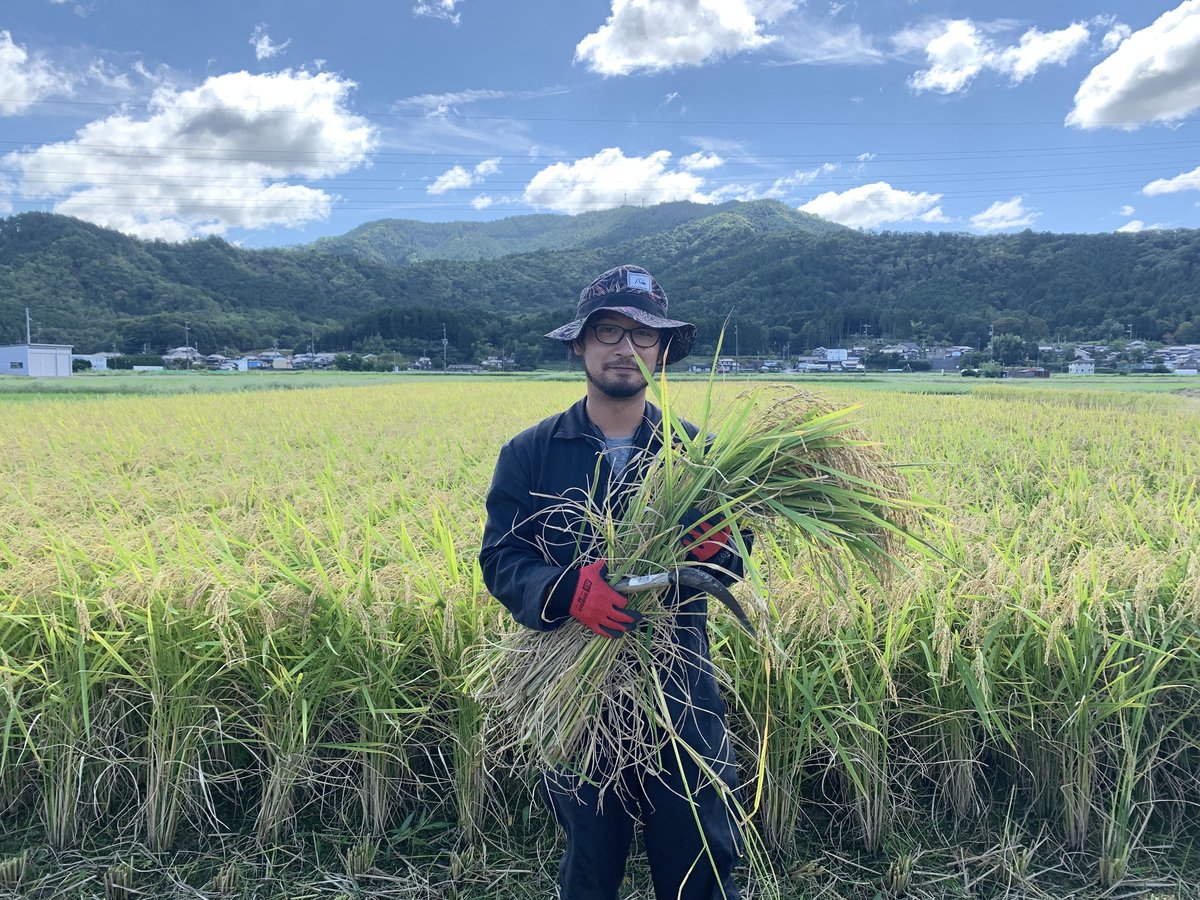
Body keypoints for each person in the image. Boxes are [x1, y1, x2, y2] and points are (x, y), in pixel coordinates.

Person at [479, 264, 748, 900]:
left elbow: (733, 562)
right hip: (575, 693)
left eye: (643, 335)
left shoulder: (700, 454)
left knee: (699, 865)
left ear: (661, 352)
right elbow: (500, 558)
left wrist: (719, 550)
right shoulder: (533, 451)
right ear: (580, 344)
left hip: (680, 688)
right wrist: (567, 590)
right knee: (591, 868)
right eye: (607, 331)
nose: (625, 348)